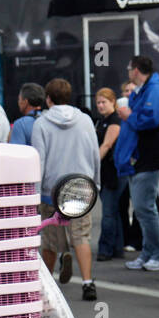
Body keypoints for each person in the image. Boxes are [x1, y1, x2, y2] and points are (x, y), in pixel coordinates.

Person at [31, 78, 100, 301]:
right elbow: (94, 153)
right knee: (81, 236)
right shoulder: (86, 120)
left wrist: (35, 190)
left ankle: (49, 287)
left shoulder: (41, 124)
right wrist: (95, 183)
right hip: (81, 187)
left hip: (51, 190)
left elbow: (39, 159)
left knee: (50, 240)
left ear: (48, 99)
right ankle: (88, 283)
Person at [115, 55, 159, 271]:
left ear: (136, 70)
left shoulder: (154, 90)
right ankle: (149, 253)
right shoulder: (147, 89)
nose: (128, 72)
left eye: (130, 68)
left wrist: (130, 115)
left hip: (147, 158)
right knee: (142, 209)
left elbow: (150, 120)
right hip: (139, 158)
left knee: (144, 208)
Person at [93, 88, 125, 261]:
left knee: (108, 213)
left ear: (113, 102)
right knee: (114, 211)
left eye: (104, 102)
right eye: (98, 102)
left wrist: (92, 165)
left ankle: (105, 249)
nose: (100, 105)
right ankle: (117, 248)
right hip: (106, 172)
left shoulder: (115, 121)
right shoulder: (101, 121)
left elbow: (106, 145)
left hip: (113, 172)